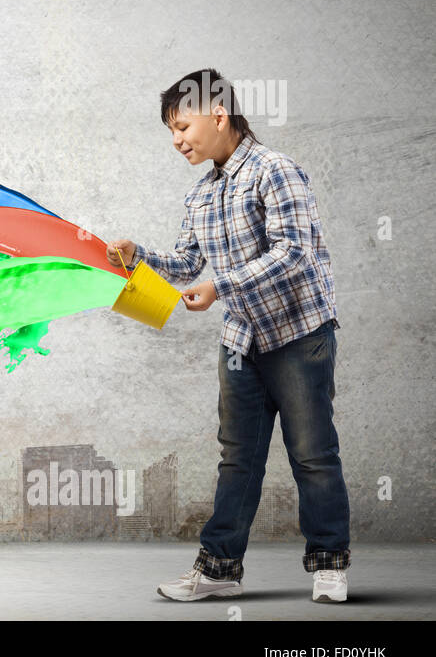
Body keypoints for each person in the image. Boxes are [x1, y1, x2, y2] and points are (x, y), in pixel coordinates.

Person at [106, 69, 350, 603]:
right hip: (242, 342)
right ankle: (219, 570)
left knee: (312, 453)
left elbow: (293, 252)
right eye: (170, 130)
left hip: (299, 334)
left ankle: (329, 565)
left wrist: (219, 286)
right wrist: (137, 256)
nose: (176, 140)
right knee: (238, 458)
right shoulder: (201, 195)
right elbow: (187, 262)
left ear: (219, 115)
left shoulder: (275, 170)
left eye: (182, 125)